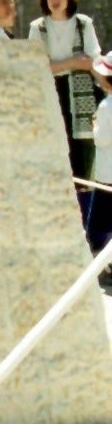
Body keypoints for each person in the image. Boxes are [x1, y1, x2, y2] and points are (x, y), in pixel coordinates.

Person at [28, 0, 103, 246]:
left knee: (83, 163)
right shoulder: (39, 28)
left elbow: (94, 62)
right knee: (56, 159)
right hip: (52, 97)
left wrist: (63, 65)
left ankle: (84, 226)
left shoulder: (83, 25)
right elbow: (36, 66)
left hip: (81, 100)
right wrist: (72, 62)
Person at [90, 52, 112, 281]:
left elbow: (103, 139)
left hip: (108, 174)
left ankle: (103, 267)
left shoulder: (106, 106)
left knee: (99, 223)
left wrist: (94, 126)